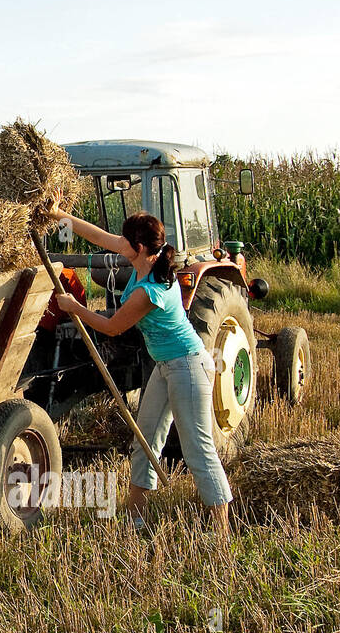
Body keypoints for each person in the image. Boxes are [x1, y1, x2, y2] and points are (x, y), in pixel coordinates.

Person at [45, 205, 232, 538]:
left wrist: (75, 308)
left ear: (141, 248)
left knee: (197, 448)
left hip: (188, 367)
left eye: (126, 239)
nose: (119, 243)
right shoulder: (144, 261)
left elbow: (114, 327)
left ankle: (222, 530)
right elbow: (98, 236)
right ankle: (135, 519)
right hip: (165, 366)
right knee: (145, 440)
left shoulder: (150, 290)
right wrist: (60, 214)